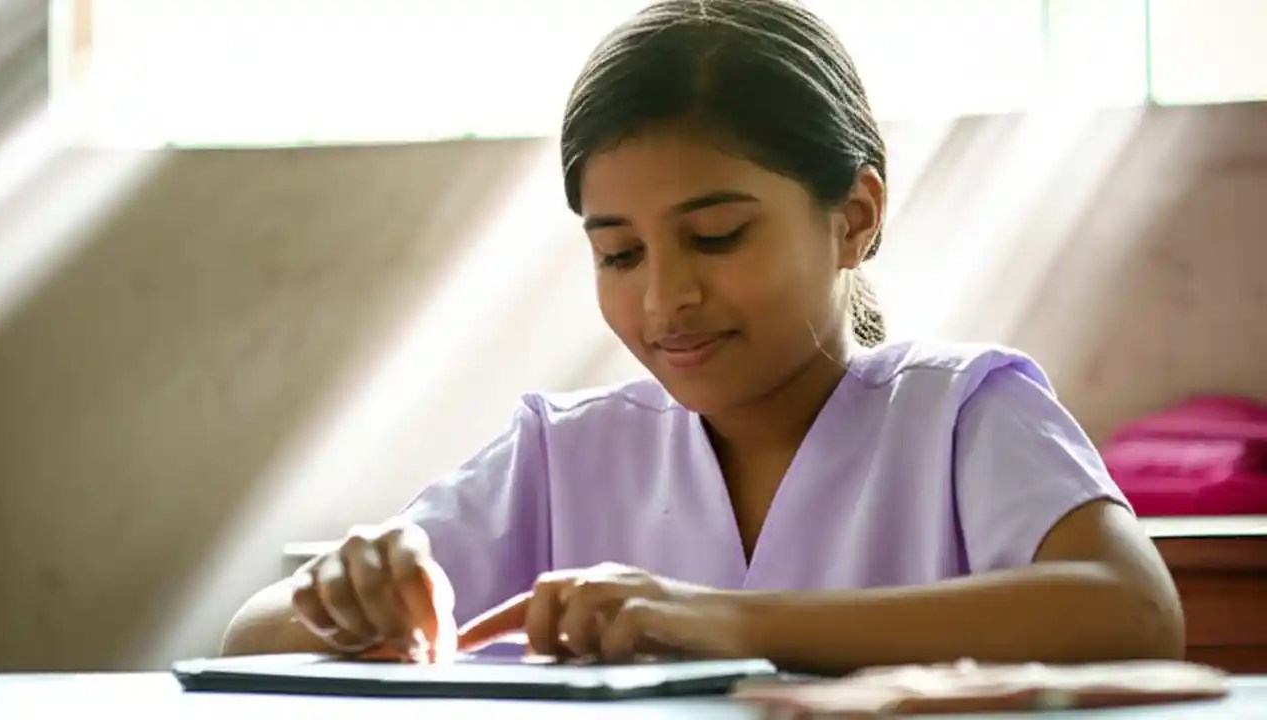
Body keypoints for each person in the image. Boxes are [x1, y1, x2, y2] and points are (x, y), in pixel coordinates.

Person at [221, 0, 1183, 674]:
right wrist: (355, 599)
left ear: (854, 215)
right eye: (619, 254)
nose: (665, 298)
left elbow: (1133, 611)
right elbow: (251, 636)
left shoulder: (961, 414)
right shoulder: (566, 453)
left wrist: (720, 620)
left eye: (716, 236)